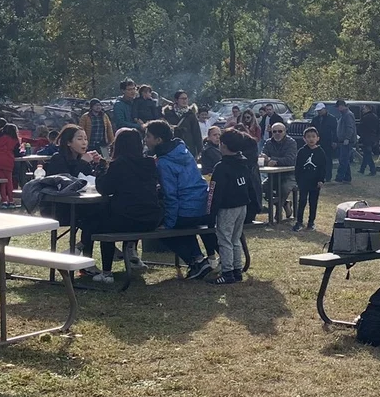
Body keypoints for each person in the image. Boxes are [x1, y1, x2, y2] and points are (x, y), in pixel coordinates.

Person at [75, 127, 166, 284]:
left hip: (127, 217)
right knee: (106, 219)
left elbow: (104, 189)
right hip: (151, 218)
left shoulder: (119, 164)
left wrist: (102, 169)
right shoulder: (149, 163)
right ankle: (128, 255)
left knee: (100, 224)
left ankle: (106, 272)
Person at [145, 119, 216, 280]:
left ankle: (195, 261)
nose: (145, 140)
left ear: (158, 140)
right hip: (202, 206)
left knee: (165, 230)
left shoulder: (163, 162)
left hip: (187, 209)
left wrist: (168, 224)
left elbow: (171, 196)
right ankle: (199, 261)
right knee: (180, 225)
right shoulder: (183, 150)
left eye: (148, 136)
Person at [209, 130, 255, 284]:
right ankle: (237, 270)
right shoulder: (243, 163)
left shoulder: (221, 167)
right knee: (235, 239)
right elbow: (250, 186)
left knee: (224, 239)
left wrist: (210, 213)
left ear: (223, 145)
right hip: (242, 206)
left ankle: (227, 272)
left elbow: (214, 192)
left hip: (227, 208)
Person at [261, 121, 298, 222]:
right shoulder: (268, 142)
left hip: (289, 175)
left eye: (280, 131)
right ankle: (285, 204)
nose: (277, 133)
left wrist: (274, 160)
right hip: (273, 176)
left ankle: (277, 215)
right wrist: (264, 159)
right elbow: (263, 157)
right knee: (261, 188)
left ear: (285, 132)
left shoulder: (291, 142)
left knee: (283, 189)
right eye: (274, 131)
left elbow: (290, 160)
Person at [293, 126, 326, 231]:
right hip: (303, 181)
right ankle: (299, 222)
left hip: (315, 182)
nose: (311, 139)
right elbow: (297, 167)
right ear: (304, 139)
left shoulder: (321, 152)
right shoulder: (301, 152)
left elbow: (323, 167)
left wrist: (321, 180)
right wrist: (298, 180)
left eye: (313, 136)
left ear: (317, 138)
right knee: (302, 201)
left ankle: (311, 222)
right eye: (308, 137)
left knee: (313, 202)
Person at [0, 122, 20, 205]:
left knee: (2, 182)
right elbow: (16, 152)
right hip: (8, 160)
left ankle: (3, 200)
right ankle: (11, 200)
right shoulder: (14, 140)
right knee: (9, 181)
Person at [312, 102, 338, 182]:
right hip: (317, 142)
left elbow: (335, 131)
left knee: (328, 159)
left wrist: (334, 141)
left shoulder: (332, 119)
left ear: (324, 109)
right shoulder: (315, 119)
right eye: (318, 111)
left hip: (327, 142)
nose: (319, 112)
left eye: (320, 110)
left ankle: (328, 176)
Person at [334, 99, 356, 184]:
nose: (337, 109)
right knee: (344, 159)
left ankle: (339, 178)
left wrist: (347, 138)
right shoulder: (344, 115)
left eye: (338, 107)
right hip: (342, 141)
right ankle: (347, 178)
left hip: (347, 141)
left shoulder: (348, 115)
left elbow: (349, 128)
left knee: (343, 159)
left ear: (342, 106)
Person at [357, 105, 380, 176]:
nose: (363, 110)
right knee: (366, 154)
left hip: (366, 138)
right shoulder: (376, 117)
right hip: (373, 138)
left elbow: (360, 128)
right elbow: (378, 129)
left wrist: (360, 135)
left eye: (364, 109)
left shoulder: (364, 118)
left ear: (368, 109)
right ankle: (362, 169)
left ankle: (373, 170)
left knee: (368, 154)